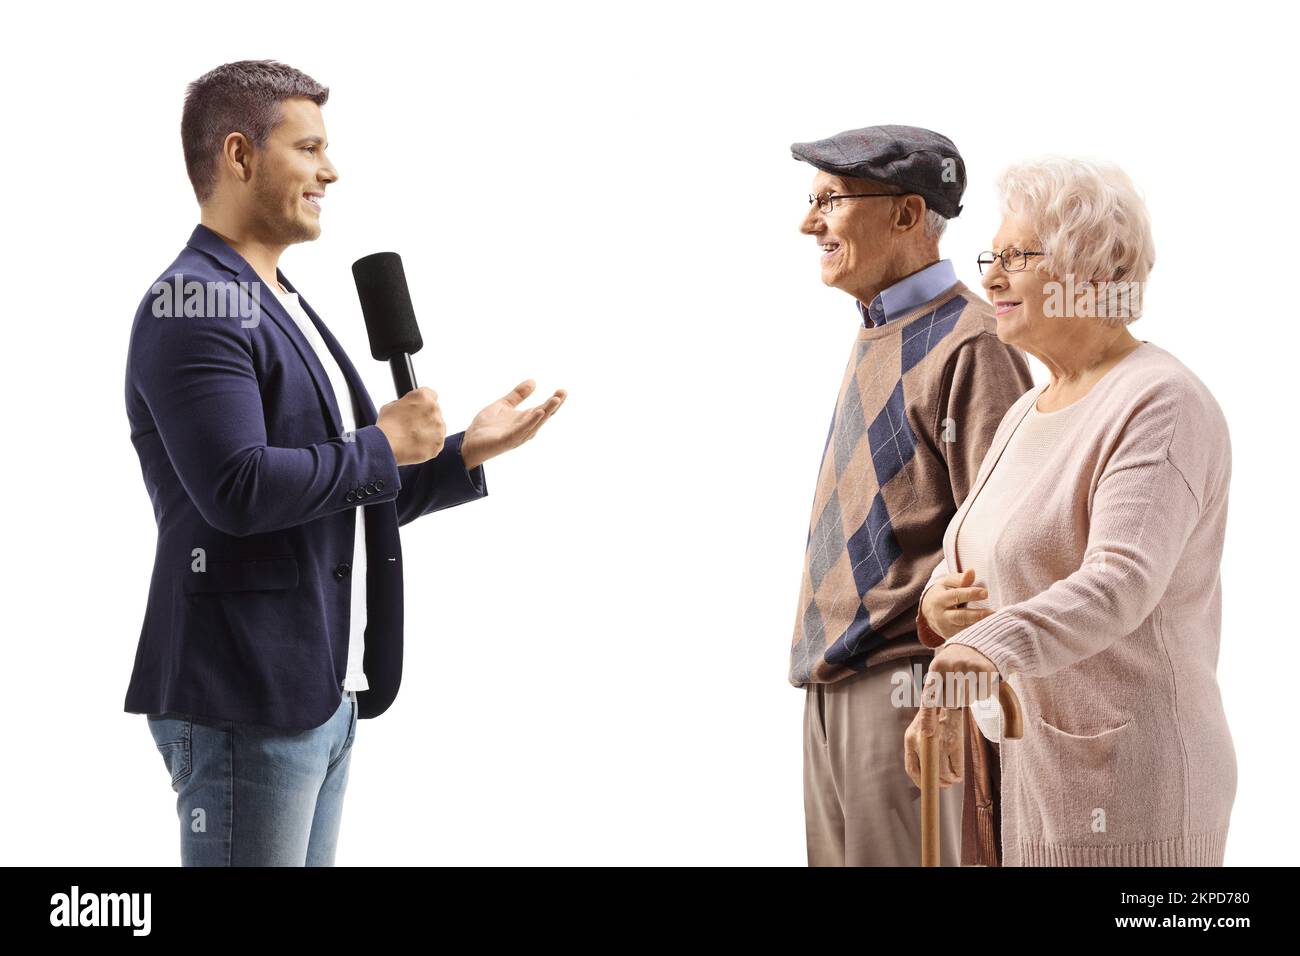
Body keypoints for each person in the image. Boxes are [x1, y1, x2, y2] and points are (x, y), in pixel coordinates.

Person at [124, 60, 566, 865]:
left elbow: (340, 492)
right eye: (310, 147)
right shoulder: (190, 303)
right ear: (240, 156)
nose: (332, 169)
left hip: (317, 694)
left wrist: (464, 449)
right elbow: (241, 489)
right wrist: (383, 443)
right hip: (243, 697)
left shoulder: (280, 298)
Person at [905, 157, 1236, 866]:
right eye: (990, 255)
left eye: (1014, 257)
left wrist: (980, 649)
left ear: (1090, 270)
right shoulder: (1027, 408)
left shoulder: (1159, 401)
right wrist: (940, 610)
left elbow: (1119, 581)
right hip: (1028, 778)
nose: (988, 276)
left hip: (1134, 787)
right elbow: (977, 557)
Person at [788, 125, 1034, 866]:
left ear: (904, 214)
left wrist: (951, 694)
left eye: (829, 201)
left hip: (905, 687)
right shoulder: (881, 332)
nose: (809, 223)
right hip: (833, 688)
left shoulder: (973, 343)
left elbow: (1005, 546)